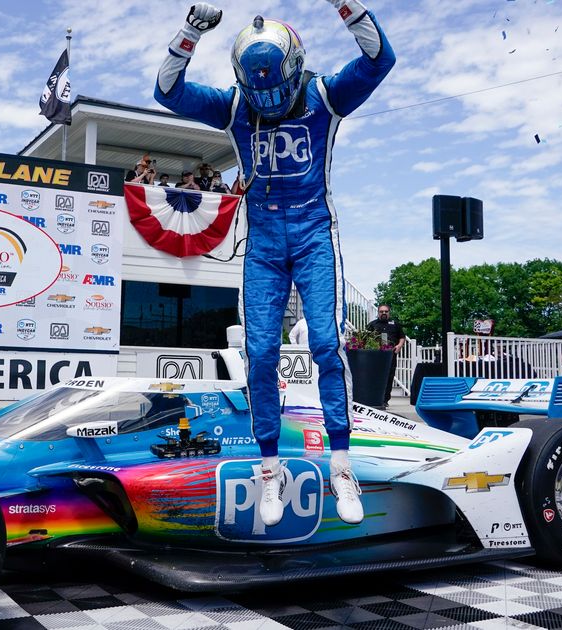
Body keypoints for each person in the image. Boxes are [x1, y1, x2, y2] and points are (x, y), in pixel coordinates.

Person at [155, 0, 395, 527]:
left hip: (313, 234)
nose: (270, 103)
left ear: (293, 68)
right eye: (260, 94)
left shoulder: (325, 94)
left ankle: (341, 463)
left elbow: (380, 61)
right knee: (260, 352)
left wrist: (347, 6)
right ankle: (269, 469)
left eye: (278, 93)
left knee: (326, 343)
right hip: (262, 241)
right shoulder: (235, 105)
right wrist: (190, 31)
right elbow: (167, 91)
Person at [367, 305, 405, 408]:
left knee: (389, 377)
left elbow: (402, 337)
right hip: (376, 356)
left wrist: (399, 345)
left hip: (390, 356)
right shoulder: (372, 325)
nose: (384, 313)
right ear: (378, 312)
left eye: (386, 311)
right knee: (375, 377)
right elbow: (364, 339)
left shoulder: (395, 324)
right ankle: (374, 399)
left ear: (389, 312)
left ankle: (385, 400)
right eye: (381, 311)